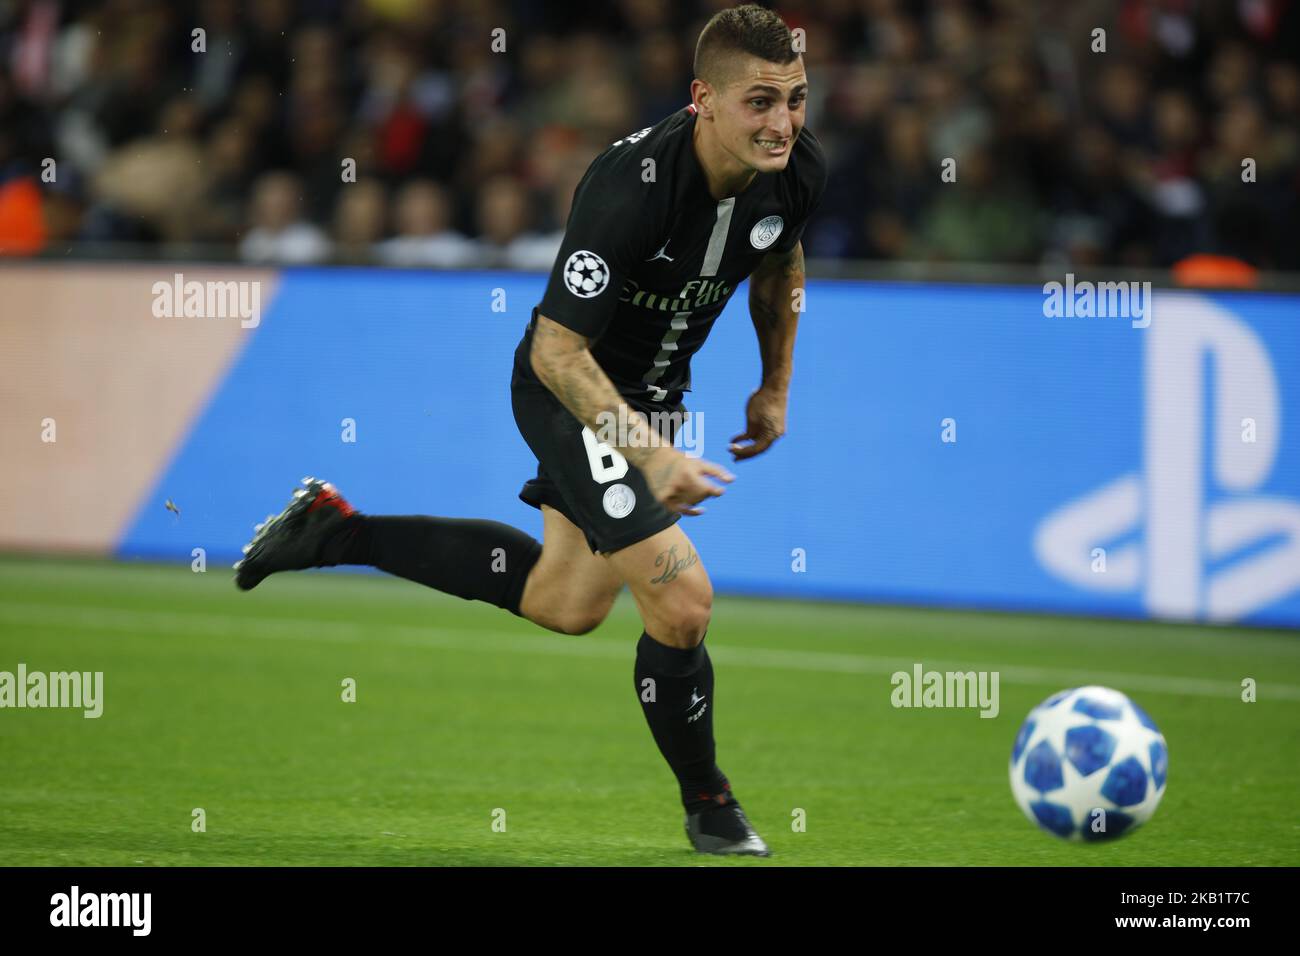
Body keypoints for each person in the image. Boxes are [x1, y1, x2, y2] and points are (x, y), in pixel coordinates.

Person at [233, 4, 825, 857]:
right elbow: (555, 348)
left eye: (796, 100)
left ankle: (334, 531)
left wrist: (774, 385)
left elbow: (780, 265)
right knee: (681, 598)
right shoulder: (633, 188)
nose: (783, 123)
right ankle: (712, 807)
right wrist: (649, 451)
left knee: (568, 600)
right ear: (704, 99)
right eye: (761, 102)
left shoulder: (799, 171)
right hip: (567, 388)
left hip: (651, 398)